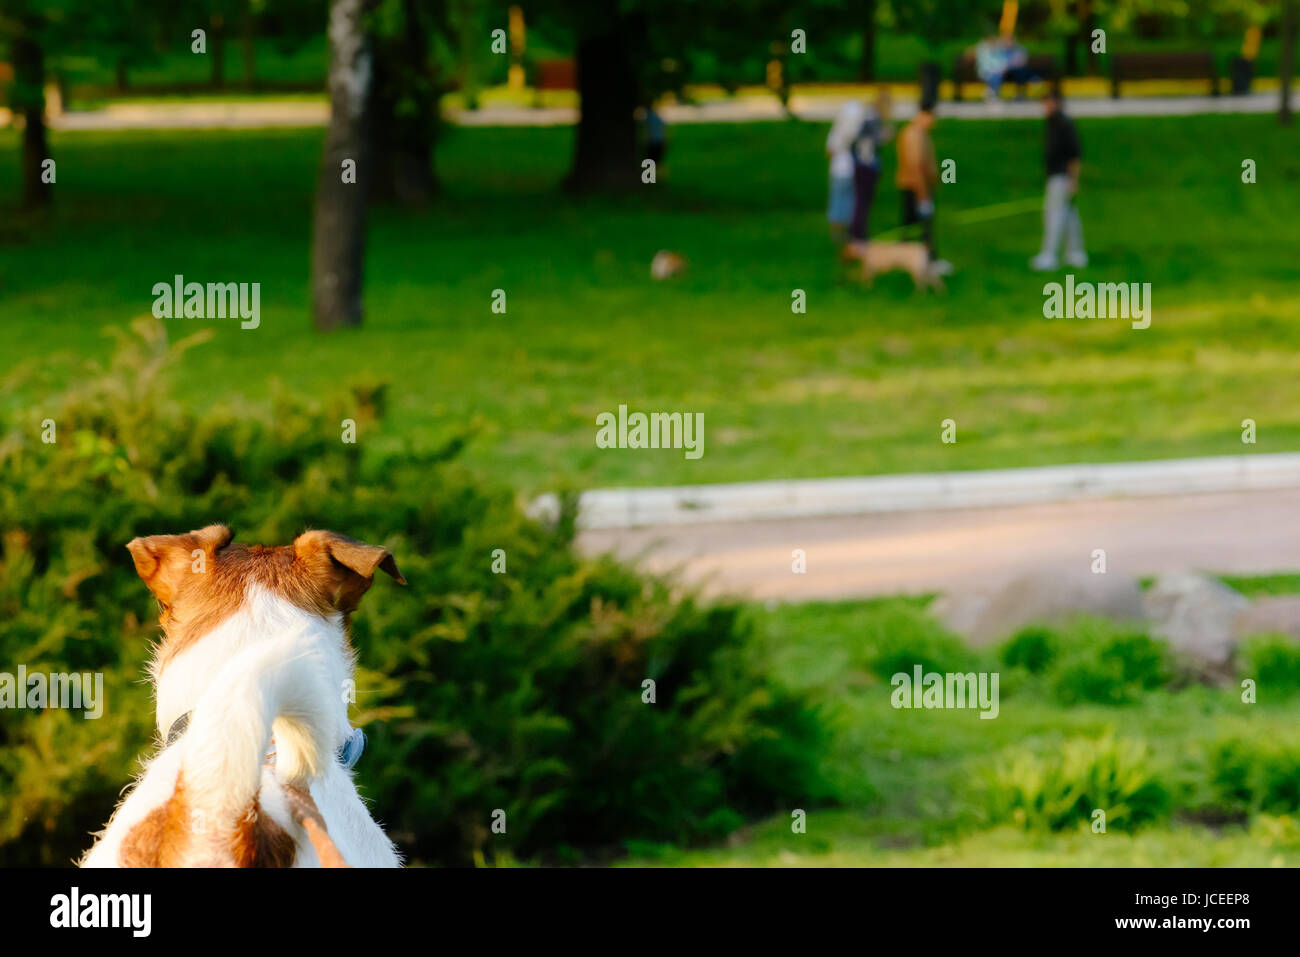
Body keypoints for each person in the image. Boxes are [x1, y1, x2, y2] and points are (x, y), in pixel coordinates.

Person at [1031, 90, 1087, 270]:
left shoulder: (1065, 125)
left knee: (1053, 215)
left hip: (1061, 177)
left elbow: (1074, 155)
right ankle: (1075, 254)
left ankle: (1049, 255)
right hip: (1055, 175)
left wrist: (1073, 180)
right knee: (1069, 216)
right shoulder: (1052, 124)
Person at [895, 104, 953, 274]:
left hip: (918, 188)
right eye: (932, 118)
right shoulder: (913, 134)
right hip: (915, 189)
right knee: (920, 229)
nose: (933, 123)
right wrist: (923, 196)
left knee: (917, 227)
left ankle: (915, 261)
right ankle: (926, 263)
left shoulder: (919, 133)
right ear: (924, 115)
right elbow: (915, 166)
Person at [847, 89, 895, 248]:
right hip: (866, 165)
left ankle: (858, 235)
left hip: (863, 164)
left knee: (862, 201)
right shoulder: (872, 117)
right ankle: (858, 236)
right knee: (862, 201)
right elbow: (866, 141)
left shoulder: (869, 115)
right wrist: (883, 136)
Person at [825, 99, 866, 241]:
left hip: (839, 170)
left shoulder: (836, 132)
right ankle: (847, 235)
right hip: (852, 170)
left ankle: (839, 236)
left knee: (839, 202)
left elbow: (830, 150)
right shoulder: (858, 132)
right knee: (849, 201)